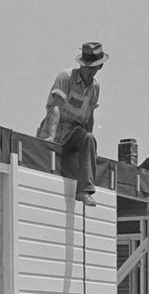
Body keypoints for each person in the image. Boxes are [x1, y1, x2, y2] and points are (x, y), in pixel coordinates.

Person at [36, 41, 109, 207]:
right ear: (82, 65)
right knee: (41, 169)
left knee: (89, 138)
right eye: (88, 67)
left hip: (74, 131)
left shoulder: (95, 88)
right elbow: (55, 108)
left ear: (100, 67)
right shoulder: (66, 77)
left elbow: (89, 116)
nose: (91, 72)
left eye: (94, 68)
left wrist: (88, 147)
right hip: (55, 125)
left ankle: (84, 191)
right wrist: (50, 138)